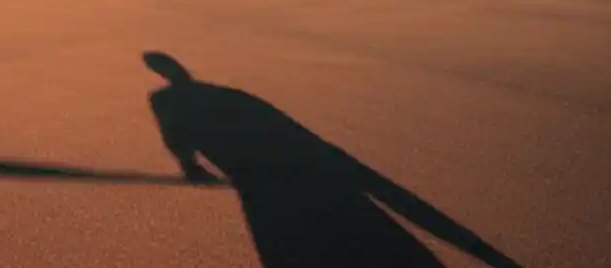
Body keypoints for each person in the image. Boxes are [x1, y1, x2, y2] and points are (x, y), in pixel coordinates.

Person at [144, 51, 521, 268]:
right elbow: (285, 126)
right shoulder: (232, 94)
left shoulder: (166, 101)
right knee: (377, 233)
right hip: (312, 163)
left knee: (294, 248)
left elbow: (177, 137)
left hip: (263, 183)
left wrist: (191, 168)